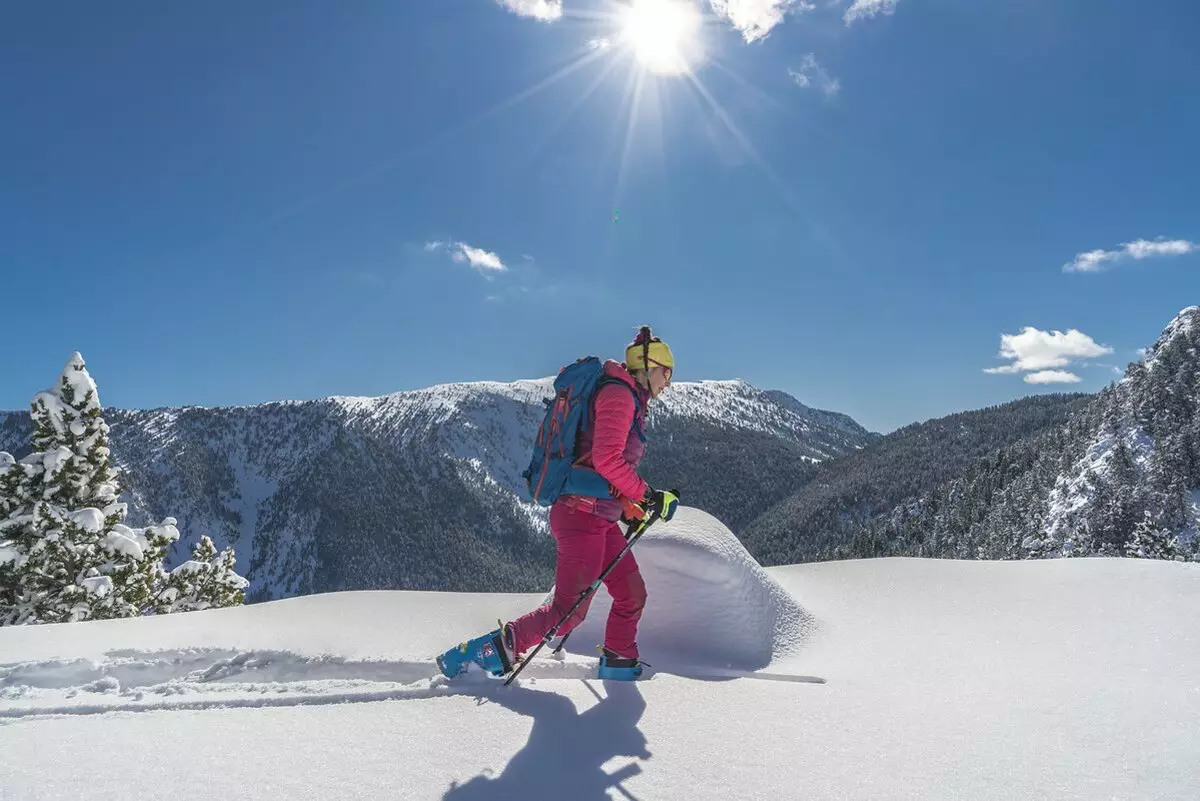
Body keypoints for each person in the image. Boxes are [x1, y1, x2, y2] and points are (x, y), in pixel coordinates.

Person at [438, 326, 680, 682]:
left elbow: (601, 464)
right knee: (569, 611)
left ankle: (619, 663)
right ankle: (485, 652)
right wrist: (646, 495)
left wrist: (627, 502)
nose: (668, 382)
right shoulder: (619, 396)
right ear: (647, 366)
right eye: (666, 372)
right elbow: (608, 459)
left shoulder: (627, 398)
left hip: (599, 515)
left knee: (631, 592)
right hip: (581, 515)